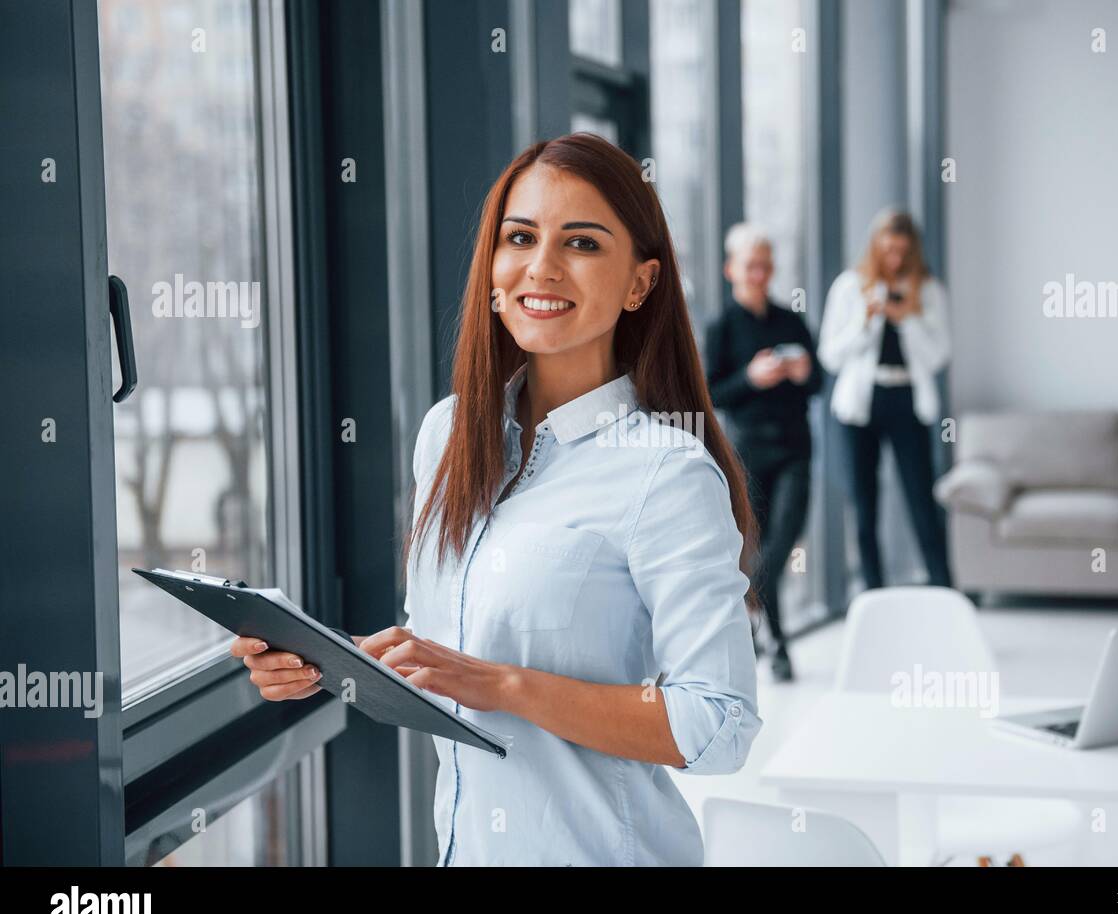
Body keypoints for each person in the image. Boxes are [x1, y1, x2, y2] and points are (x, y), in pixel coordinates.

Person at [230, 133, 763, 866]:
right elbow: (446, 654)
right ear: (492, 266)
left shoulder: (664, 473)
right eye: (520, 237)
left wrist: (505, 685)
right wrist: (328, 662)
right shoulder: (447, 433)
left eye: (581, 242)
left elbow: (720, 723)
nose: (541, 267)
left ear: (640, 284)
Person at [704, 223, 822, 682]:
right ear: (731, 269)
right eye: (750, 265)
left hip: (795, 448)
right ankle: (780, 643)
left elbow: (819, 384)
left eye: (765, 264)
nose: (759, 272)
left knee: (780, 543)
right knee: (755, 545)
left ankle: (752, 622)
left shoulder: (790, 319)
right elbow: (712, 392)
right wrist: (751, 379)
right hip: (748, 453)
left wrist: (804, 371)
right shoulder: (722, 326)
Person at [817, 207, 952, 590]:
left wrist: (906, 317)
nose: (894, 258)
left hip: (908, 399)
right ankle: (871, 591)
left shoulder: (928, 291)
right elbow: (830, 355)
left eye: (902, 251)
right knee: (864, 502)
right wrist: (866, 322)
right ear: (875, 247)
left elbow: (939, 355)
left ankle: (944, 586)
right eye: (888, 249)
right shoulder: (849, 286)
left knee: (921, 498)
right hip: (860, 404)